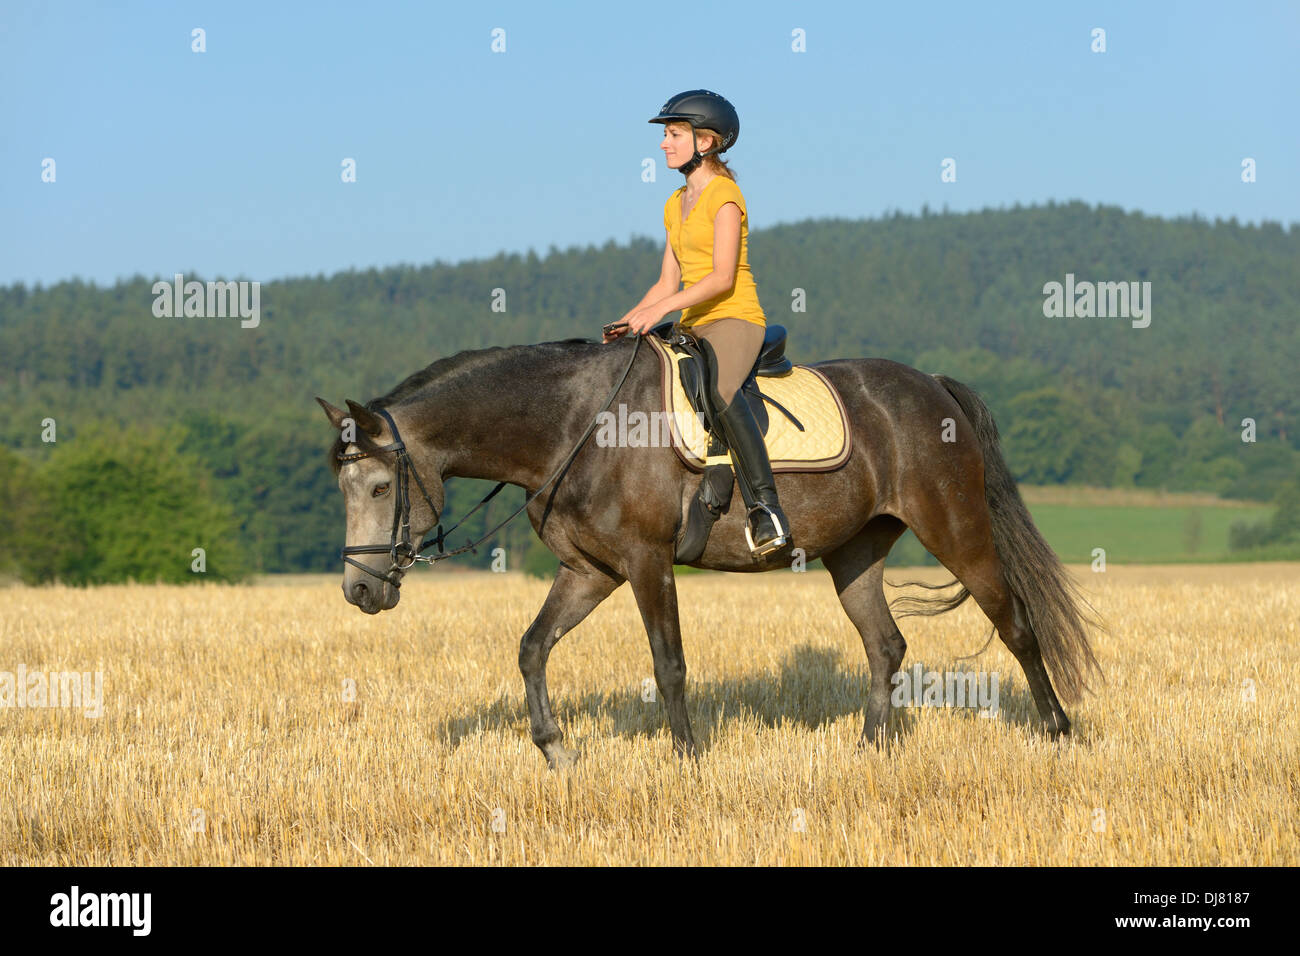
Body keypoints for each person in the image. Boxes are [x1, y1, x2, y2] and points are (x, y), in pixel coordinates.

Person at [604, 89, 791, 556]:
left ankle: (766, 510)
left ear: (704, 142)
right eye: (664, 135)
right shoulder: (674, 203)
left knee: (720, 393)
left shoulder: (725, 196)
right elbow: (667, 281)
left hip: (735, 317)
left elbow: (722, 277)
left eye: (672, 135)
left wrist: (661, 311)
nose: (663, 144)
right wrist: (629, 320)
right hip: (693, 323)